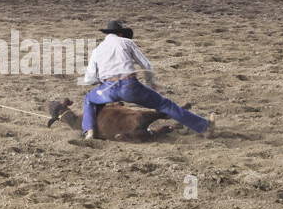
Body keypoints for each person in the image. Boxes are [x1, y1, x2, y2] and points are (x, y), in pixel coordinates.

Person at [77, 21, 212, 140]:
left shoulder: (97, 50)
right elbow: (146, 65)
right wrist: (151, 83)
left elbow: (89, 79)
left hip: (107, 89)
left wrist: (101, 82)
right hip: (129, 86)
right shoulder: (127, 42)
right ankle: (204, 126)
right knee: (165, 105)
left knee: (90, 99)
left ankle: (89, 132)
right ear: (121, 34)